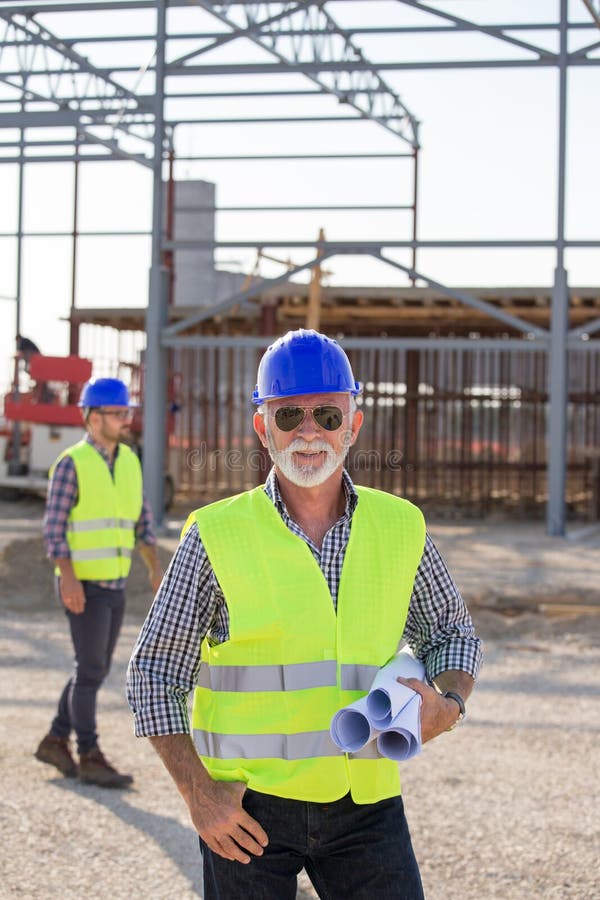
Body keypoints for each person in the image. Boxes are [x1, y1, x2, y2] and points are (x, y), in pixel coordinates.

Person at [126, 330, 482, 898]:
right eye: (289, 414)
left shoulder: (400, 526)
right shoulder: (215, 534)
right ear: (262, 427)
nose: (309, 432)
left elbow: (452, 634)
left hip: (366, 801)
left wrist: (449, 704)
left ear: (354, 426)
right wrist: (199, 795)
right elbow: (154, 673)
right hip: (247, 807)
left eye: (327, 415)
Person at [35, 377, 163, 788]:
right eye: (118, 412)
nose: (126, 419)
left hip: (115, 583)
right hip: (84, 586)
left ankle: (56, 739)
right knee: (91, 669)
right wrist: (69, 579)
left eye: (128, 411)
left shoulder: (129, 461)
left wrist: (154, 567)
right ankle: (89, 754)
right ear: (93, 418)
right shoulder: (71, 464)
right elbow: (54, 530)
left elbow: (141, 521)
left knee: (94, 668)